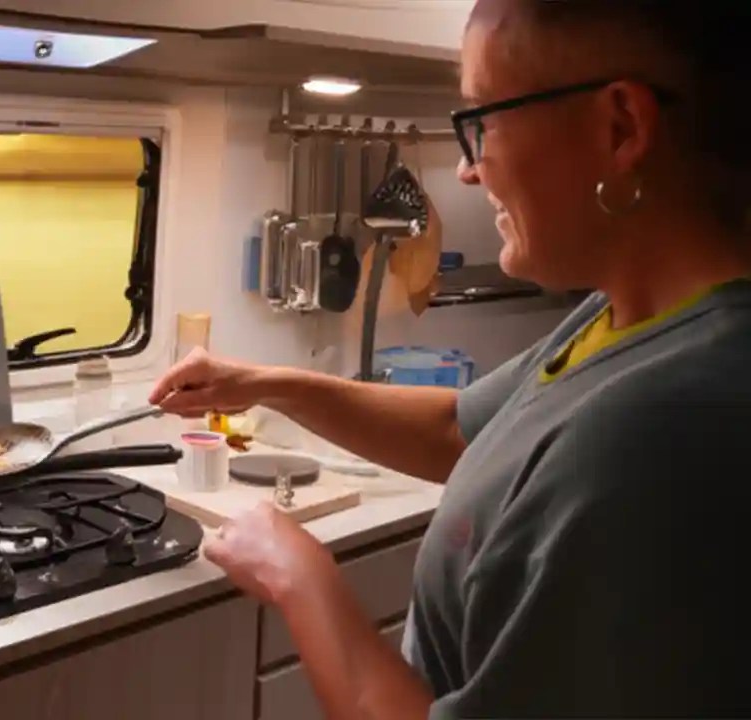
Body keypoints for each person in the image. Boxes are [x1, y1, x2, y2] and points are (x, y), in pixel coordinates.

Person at [149, 1, 751, 717]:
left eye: (482, 122)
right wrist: (264, 383)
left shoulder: (661, 430)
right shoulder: (625, 317)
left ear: (619, 127)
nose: (468, 171)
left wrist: (299, 575)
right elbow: (458, 431)